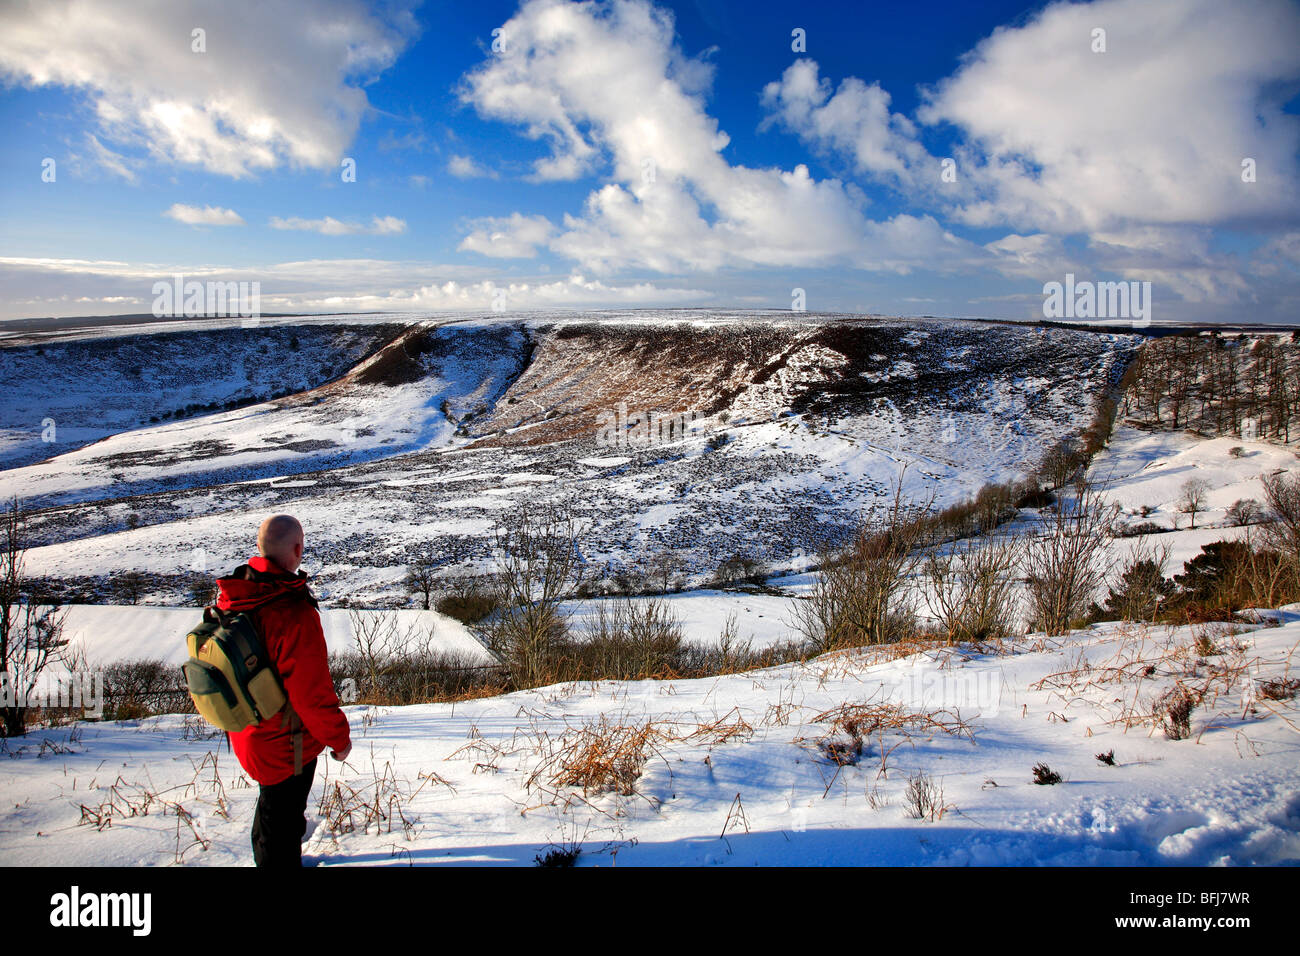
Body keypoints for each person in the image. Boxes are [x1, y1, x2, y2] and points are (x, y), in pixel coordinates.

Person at [215, 513, 351, 867]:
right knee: (282, 823)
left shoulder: (238, 595)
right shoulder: (291, 613)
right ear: (297, 548)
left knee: (272, 812)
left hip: (246, 728)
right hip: (284, 744)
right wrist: (339, 740)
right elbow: (311, 697)